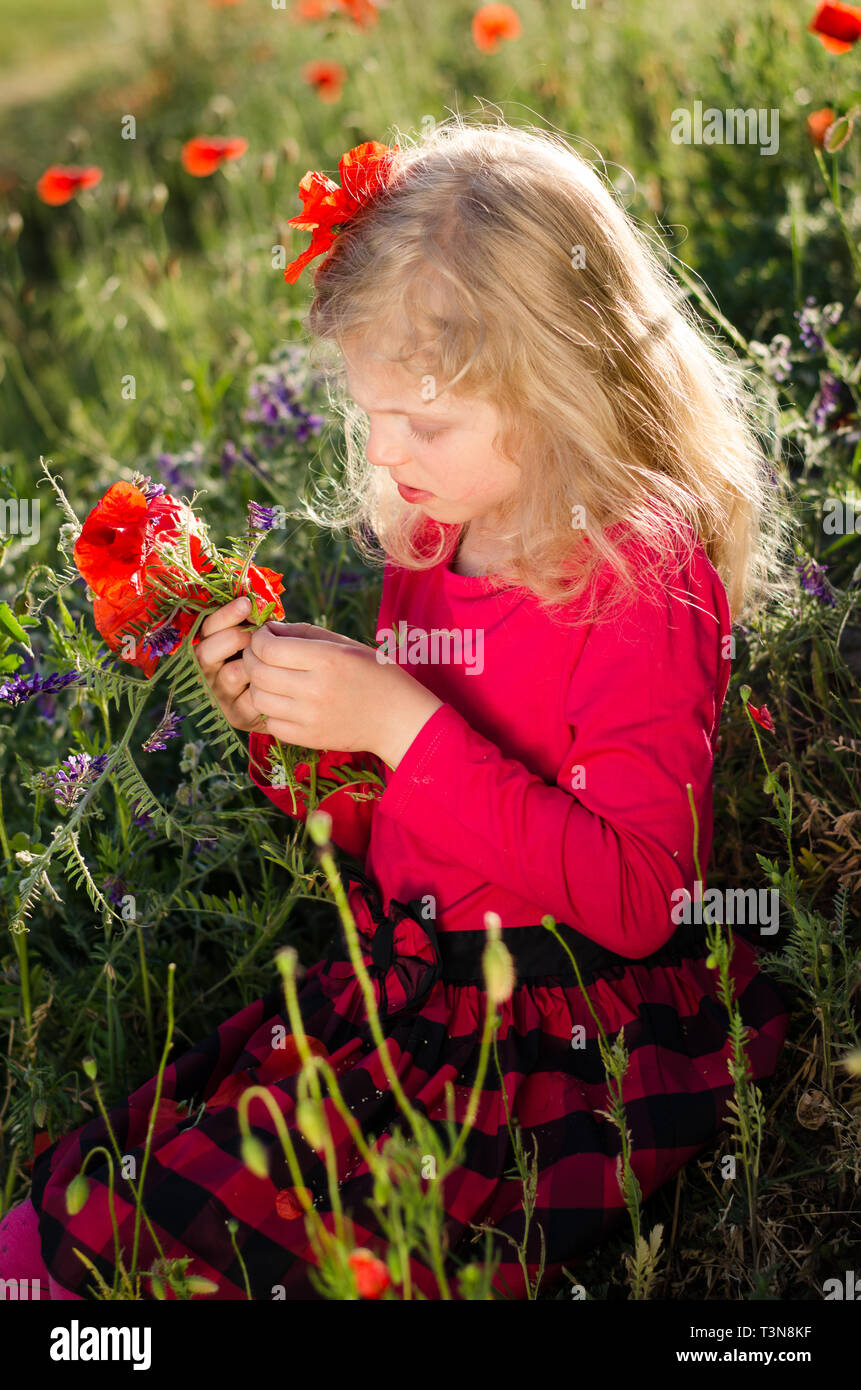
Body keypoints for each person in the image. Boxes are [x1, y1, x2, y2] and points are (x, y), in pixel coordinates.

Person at [1, 118, 795, 1301]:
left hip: (552, 1030)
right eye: (374, 414)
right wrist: (293, 733)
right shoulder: (439, 531)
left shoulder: (643, 576)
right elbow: (404, 837)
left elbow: (640, 901)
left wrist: (398, 721)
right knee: (65, 1226)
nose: (389, 453)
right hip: (408, 982)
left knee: (215, 1256)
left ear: (558, 386)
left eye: (424, 423)